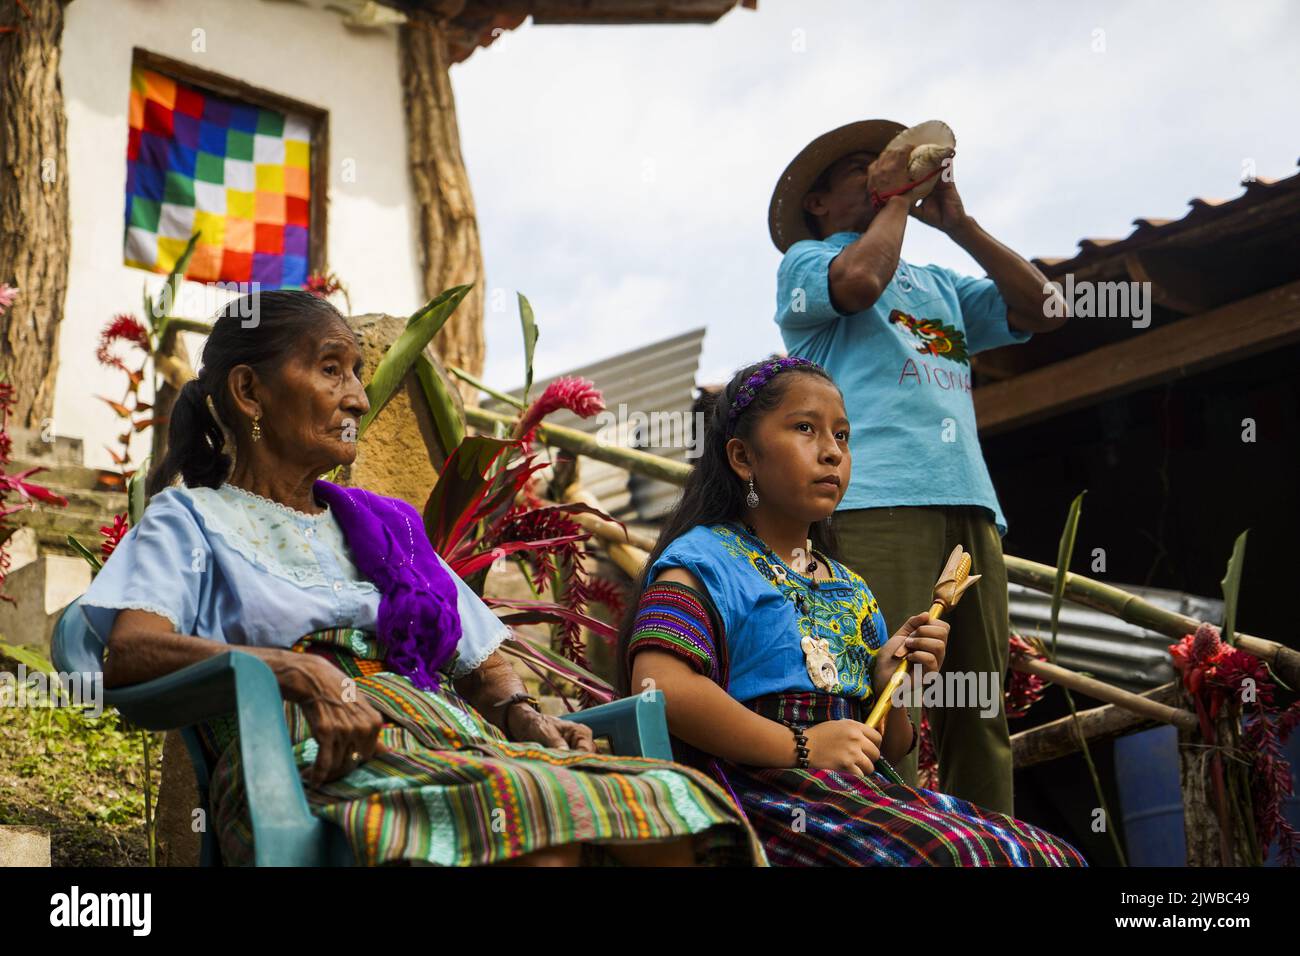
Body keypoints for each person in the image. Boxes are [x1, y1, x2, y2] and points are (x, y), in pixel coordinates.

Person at [81, 289, 764, 867]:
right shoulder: (190, 520)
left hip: (448, 739)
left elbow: (483, 662)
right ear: (248, 391)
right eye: (331, 370)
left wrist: (523, 713)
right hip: (309, 757)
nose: (357, 397)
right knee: (538, 826)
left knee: (682, 806)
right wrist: (296, 671)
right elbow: (131, 652)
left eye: (357, 373)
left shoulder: (386, 526)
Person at [620, 356, 1086, 866]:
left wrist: (892, 684)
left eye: (842, 436)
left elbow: (889, 745)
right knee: (953, 855)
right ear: (743, 456)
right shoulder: (702, 560)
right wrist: (801, 746)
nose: (831, 452)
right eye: (805, 428)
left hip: (852, 796)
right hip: (759, 795)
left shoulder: (852, 589)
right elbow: (662, 687)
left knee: (1050, 856)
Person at [767, 120, 1071, 813]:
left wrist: (959, 224)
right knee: (885, 690)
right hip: (875, 501)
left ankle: (989, 847)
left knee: (979, 706)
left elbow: (1049, 308)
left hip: (969, 505)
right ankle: (889, 841)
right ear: (817, 202)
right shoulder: (809, 262)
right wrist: (901, 198)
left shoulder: (939, 283)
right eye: (861, 168)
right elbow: (860, 281)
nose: (881, 172)